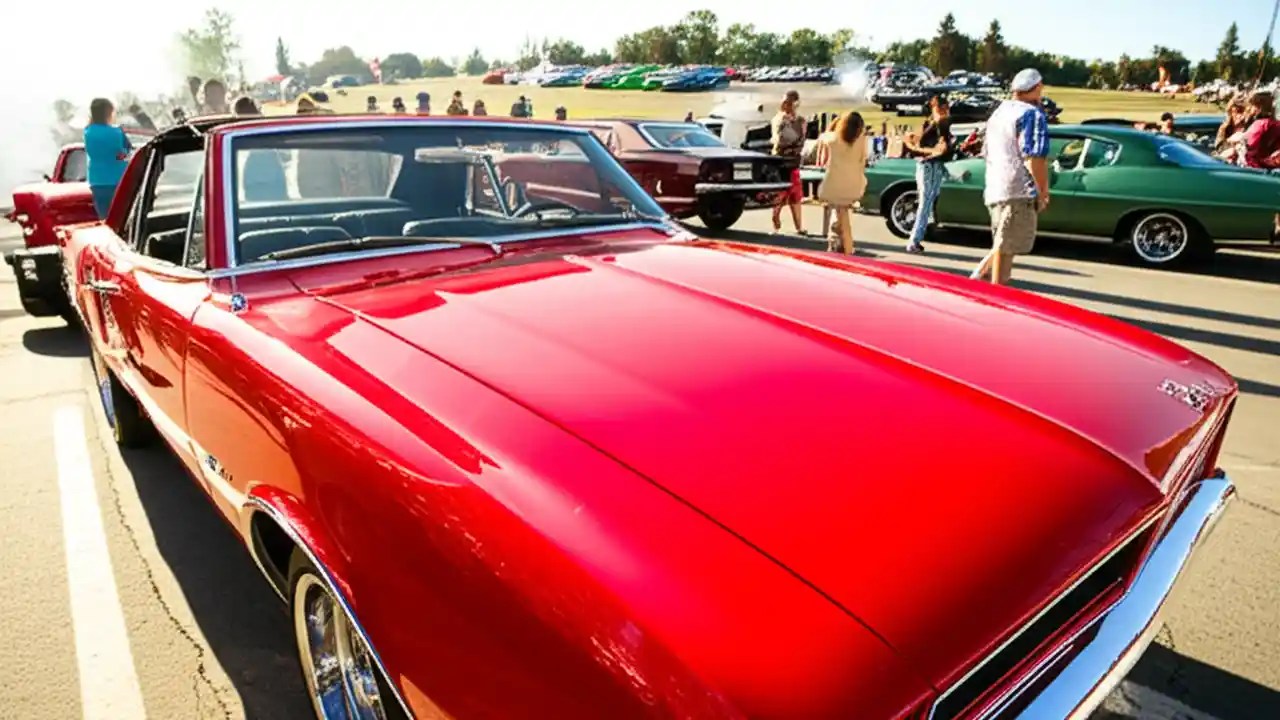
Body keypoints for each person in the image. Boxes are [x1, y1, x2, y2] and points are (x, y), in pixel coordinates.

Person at [972, 68, 1050, 286]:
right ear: (1037, 87)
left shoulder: (999, 113)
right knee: (1005, 248)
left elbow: (986, 151)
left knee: (1002, 242)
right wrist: (1042, 191)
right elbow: (1034, 156)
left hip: (995, 186)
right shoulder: (1031, 115)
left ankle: (985, 282)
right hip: (1018, 188)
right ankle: (996, 290)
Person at [900, 94, 955, 254]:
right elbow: (920, 145)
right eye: (940, 107)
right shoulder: (936, 124)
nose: (944, 110)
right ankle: (914, 240)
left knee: (930, 201)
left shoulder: (936, 124)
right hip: (929, 165)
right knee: (926, 203)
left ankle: (925, 231)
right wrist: (933, 151)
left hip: (934, 165)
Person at [816, 111, 869, 255]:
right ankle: (837, 243)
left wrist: (834, 123)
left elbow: (822, 137)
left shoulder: (832, 139)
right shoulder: (861, 140)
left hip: (833, 185)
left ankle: (844, 248)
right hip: (855, 184)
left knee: (839, 213)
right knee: (842, 214)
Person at [84, 98, 131, 219]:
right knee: (121, 217)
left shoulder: (88, 131)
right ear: (109, 113)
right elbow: (121, 155)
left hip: (97, 181)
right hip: (117, 179)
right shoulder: (116, 133)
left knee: (104, 217)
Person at [770, 94, 807, 235]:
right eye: (784, 101)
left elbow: (800, 142)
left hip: (793, 161)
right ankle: (776, 224)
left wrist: (791, 145)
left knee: (795, 195)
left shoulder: (801, 121)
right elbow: (778, 140)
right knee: (779, 194)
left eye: (789, 102)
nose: (785, 105)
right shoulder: (778, 119)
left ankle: (799, 226)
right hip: (779, 161)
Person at [1238, 91, 1280, 169]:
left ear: (1259, 108)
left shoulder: (1259, 125)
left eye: (1252, 106)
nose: (1249, 109)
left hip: (1255, 168)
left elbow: (1249, 148)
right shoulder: (1277, 124)